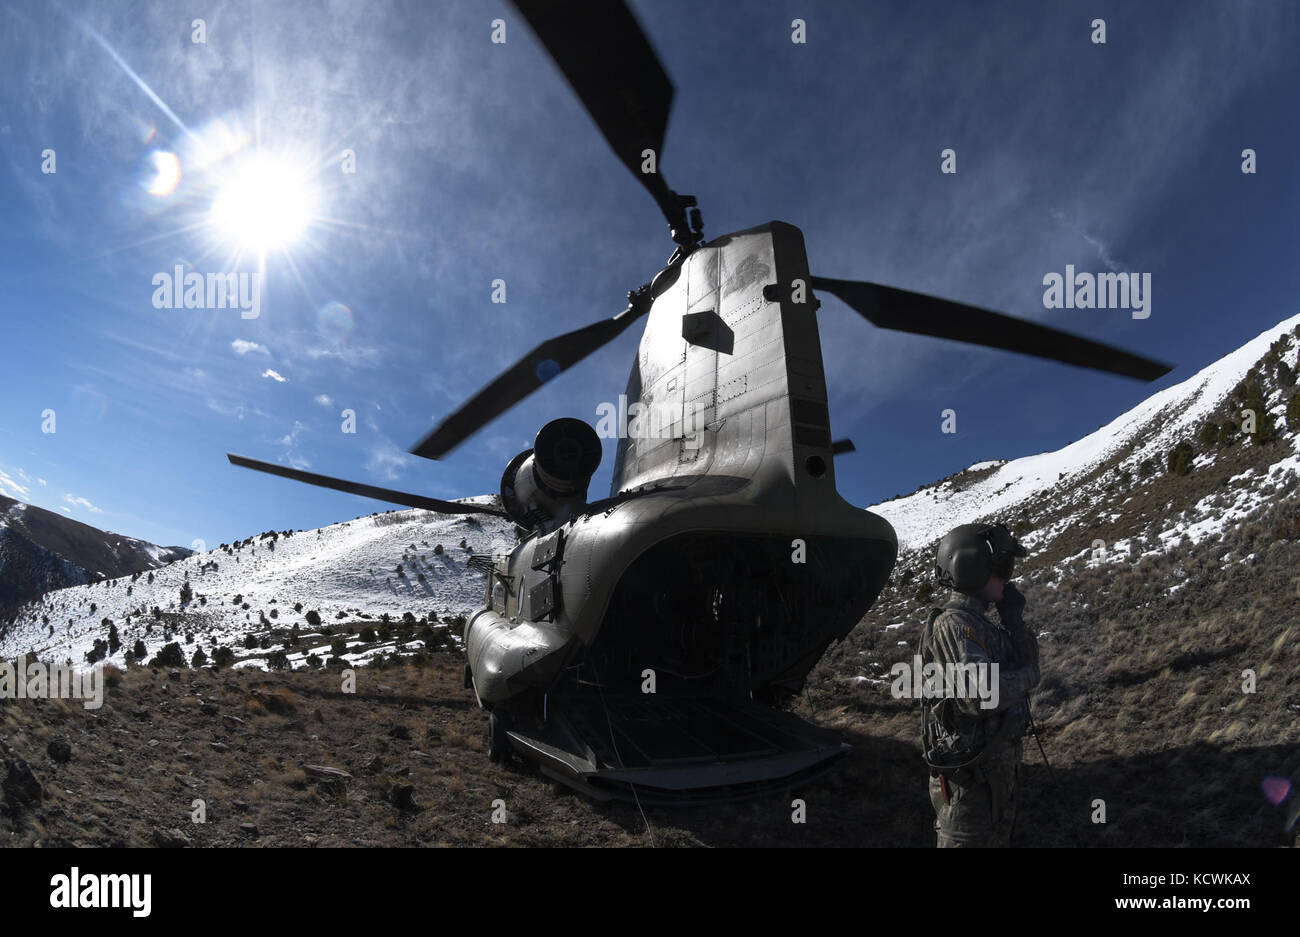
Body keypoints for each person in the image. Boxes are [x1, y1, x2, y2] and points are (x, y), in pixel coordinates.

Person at [919, 522, 1040, 847]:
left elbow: (1028, 660)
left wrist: (1014, 621)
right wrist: (1028, 677)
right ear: (972, 569)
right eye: (1002, 568)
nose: (1008, 577)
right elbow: (979, 696)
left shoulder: (981, 626)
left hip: (995, 778)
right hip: (969, 788)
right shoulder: (954, 625)